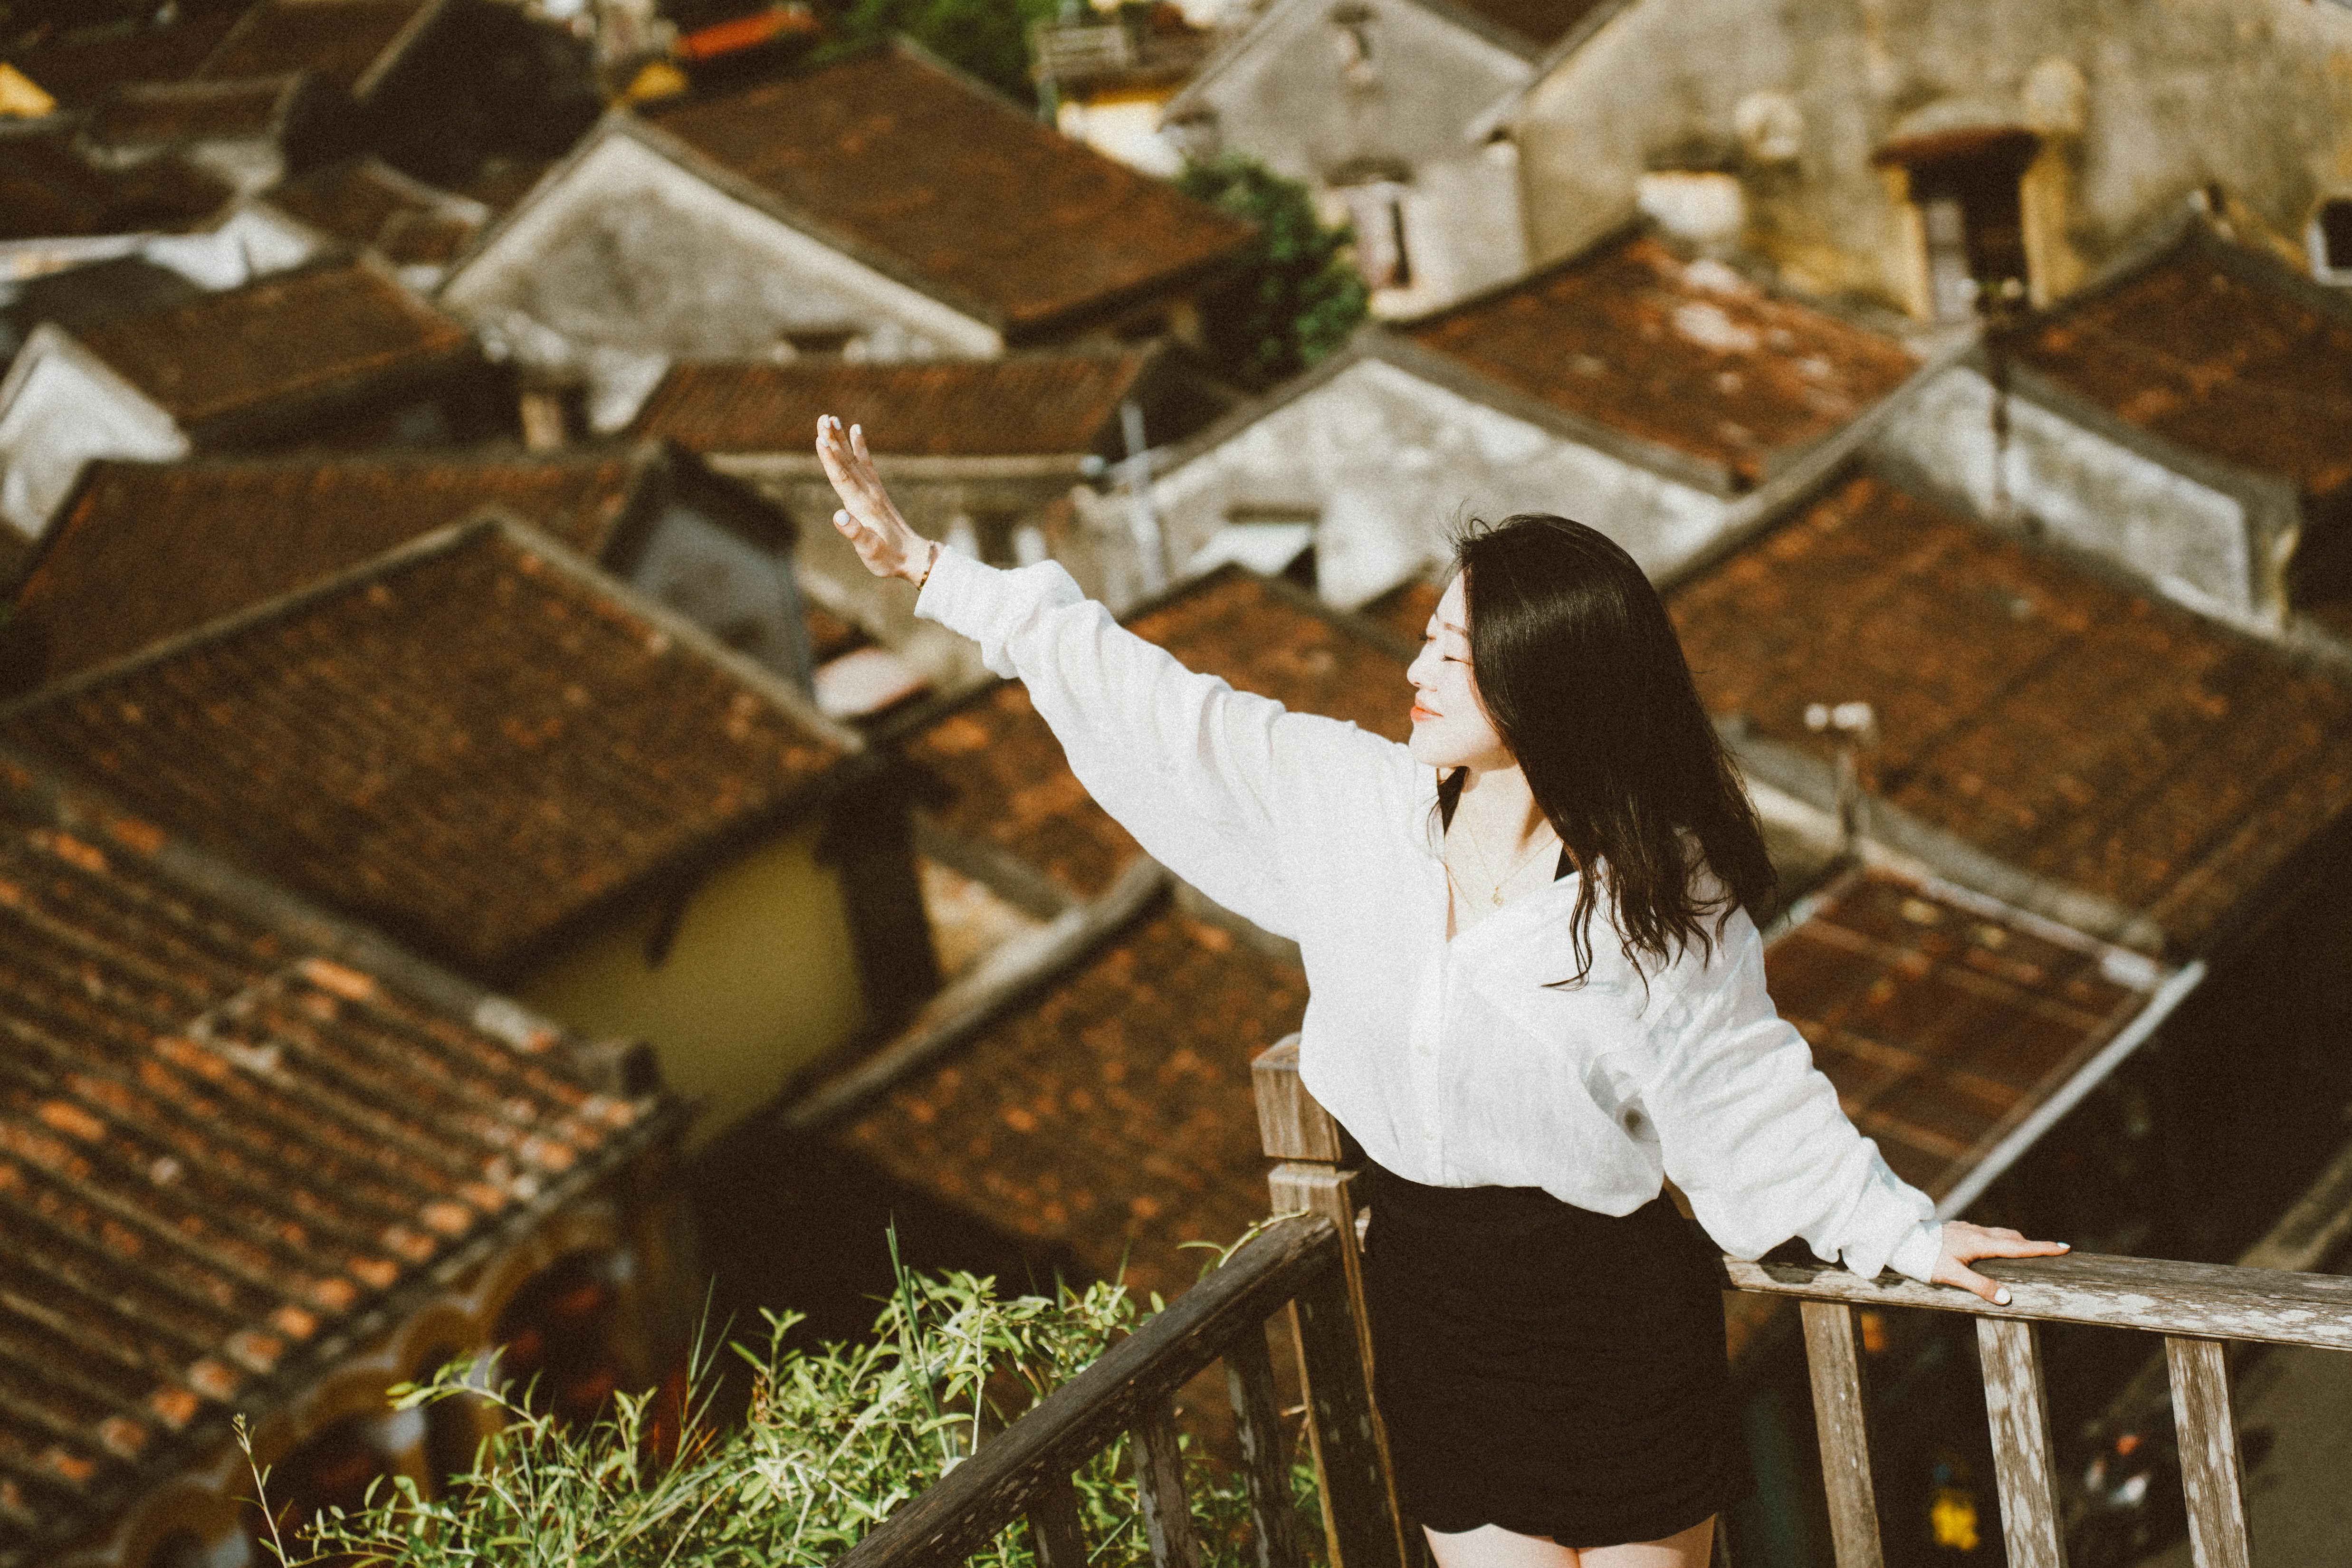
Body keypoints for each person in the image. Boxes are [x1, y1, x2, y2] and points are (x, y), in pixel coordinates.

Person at [814, 416, 2068, 1568]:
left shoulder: (1651, 896)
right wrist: (932, 571)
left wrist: (1905, 1230)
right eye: (1430, 633)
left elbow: (1746, 1086)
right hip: (1444, 1321)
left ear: (1547, 686)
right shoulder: (1357, 809)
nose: (1418, 665)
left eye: (1457, 652)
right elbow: (1159, 706)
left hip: (1616, 1326)